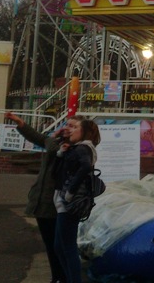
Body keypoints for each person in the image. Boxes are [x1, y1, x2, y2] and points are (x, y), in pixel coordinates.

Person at [4, 111, 68, 283]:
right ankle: (57, 277)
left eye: (72, 126)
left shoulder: (74, 147)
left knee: (57, 245)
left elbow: (50, 146)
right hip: (43, 201)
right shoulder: (59, 144)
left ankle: (61, 277)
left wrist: (54, 137)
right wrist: (21, 124)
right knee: (50, 244)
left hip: (55, 204)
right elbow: (40, 139)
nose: (66, 127)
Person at [52, 115, 100, 283]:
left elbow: (85, 166)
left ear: (84, 131)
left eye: (74, 127)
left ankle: (73, 280)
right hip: (64, 201)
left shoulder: (83, 149)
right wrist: (61, 153)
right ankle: (70, 279)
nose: (70, 130)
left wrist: (70, 192)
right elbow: (56, 173)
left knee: (67, 247)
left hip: (69, 203)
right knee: (60, 245)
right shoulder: (77, 148)